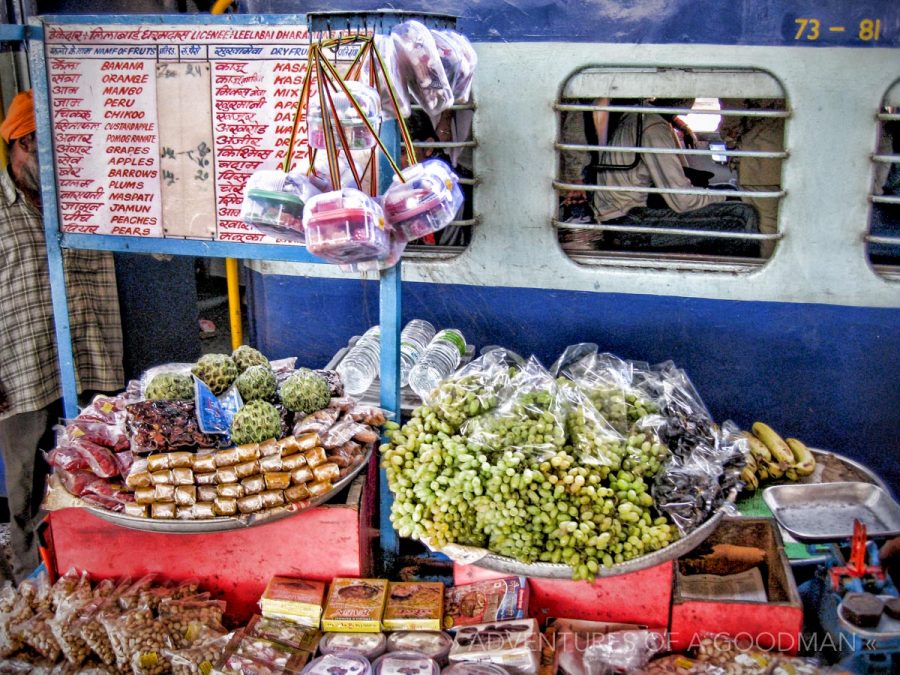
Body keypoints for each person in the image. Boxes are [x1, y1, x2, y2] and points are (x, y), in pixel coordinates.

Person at [0, 90, 124, 581]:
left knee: (102, 469)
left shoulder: (82, 197)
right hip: (22, 368)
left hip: (91, 355)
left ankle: (102, 563)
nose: (45, 163)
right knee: (28, 480)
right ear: (16, 146)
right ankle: (36, 572)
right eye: (35, 148)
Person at [591, 98, 760, 257]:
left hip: (622, 215)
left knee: (728, 192)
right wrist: (725, 197)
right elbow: (682, 201)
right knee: (742, 215)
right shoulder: (654, 128)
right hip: (628, 223)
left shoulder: (641, 116)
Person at [719, 99, 785, 258]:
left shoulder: (741, 82)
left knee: (765, 224)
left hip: (758, 159)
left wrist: (730, 142)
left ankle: (765, 266)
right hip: (784, 155)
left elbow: (732, 116)